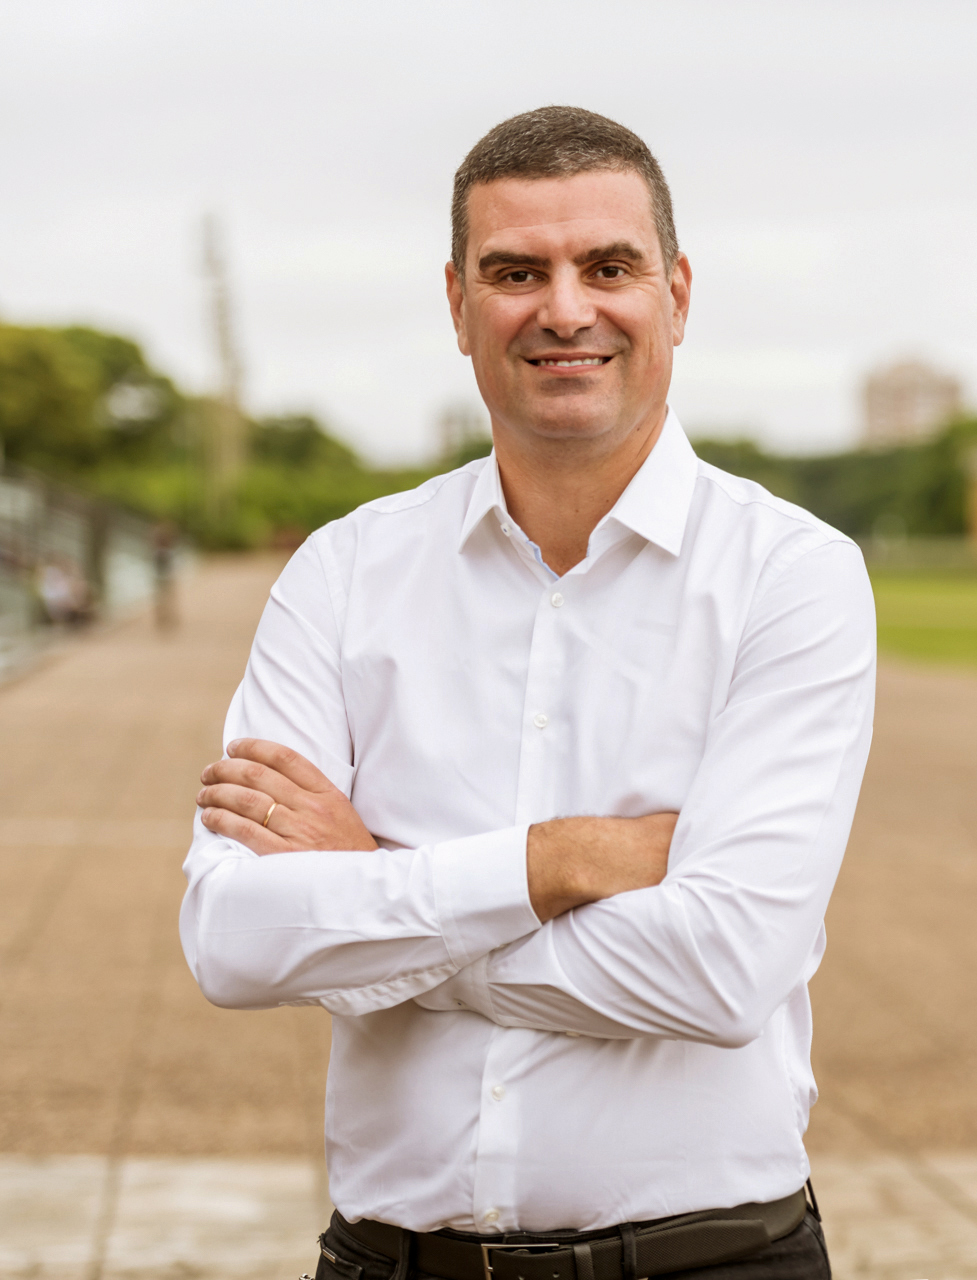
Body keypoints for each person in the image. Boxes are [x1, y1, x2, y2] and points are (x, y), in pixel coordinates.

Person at [181, 106, 875, 1280]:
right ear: (458, 304)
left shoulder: (792, 574)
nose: (565, 309)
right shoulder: (344, 571)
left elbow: (721, 969)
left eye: (608, 266)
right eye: (516, 271)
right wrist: (555, 861)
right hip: (391, 1260)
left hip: (711, 1261)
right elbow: (235, 939)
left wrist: (372, 896)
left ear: (678, 292)